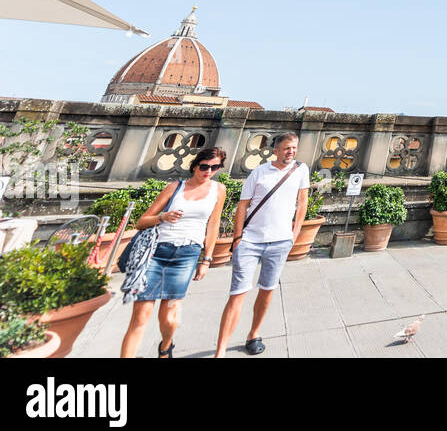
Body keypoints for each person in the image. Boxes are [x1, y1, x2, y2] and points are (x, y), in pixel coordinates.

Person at [120, 147, 227, 358]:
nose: (209, 171)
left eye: (215, 167)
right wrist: (163, 217)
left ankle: (166, 346)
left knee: (169, 318)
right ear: (195, 165)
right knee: (140, 317)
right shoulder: (175, 188)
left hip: (187, 255)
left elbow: (213, 225)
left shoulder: (218, 190)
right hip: (157, 253)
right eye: (205, 166)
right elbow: (142, 222)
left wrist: (206, 259)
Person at [215, 133, 309, 357]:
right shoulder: (259, 172)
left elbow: (302, 201)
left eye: (294, 148)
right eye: (286, 148)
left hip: (280, 242)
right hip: (250, 241)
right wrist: (238, 239)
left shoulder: (300, 170)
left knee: (267, 291)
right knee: (237, 294)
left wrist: (294, 234)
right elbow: (243, 206)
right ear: (275, 150)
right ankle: (220, 350)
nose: (291, 152)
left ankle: (253, 334)